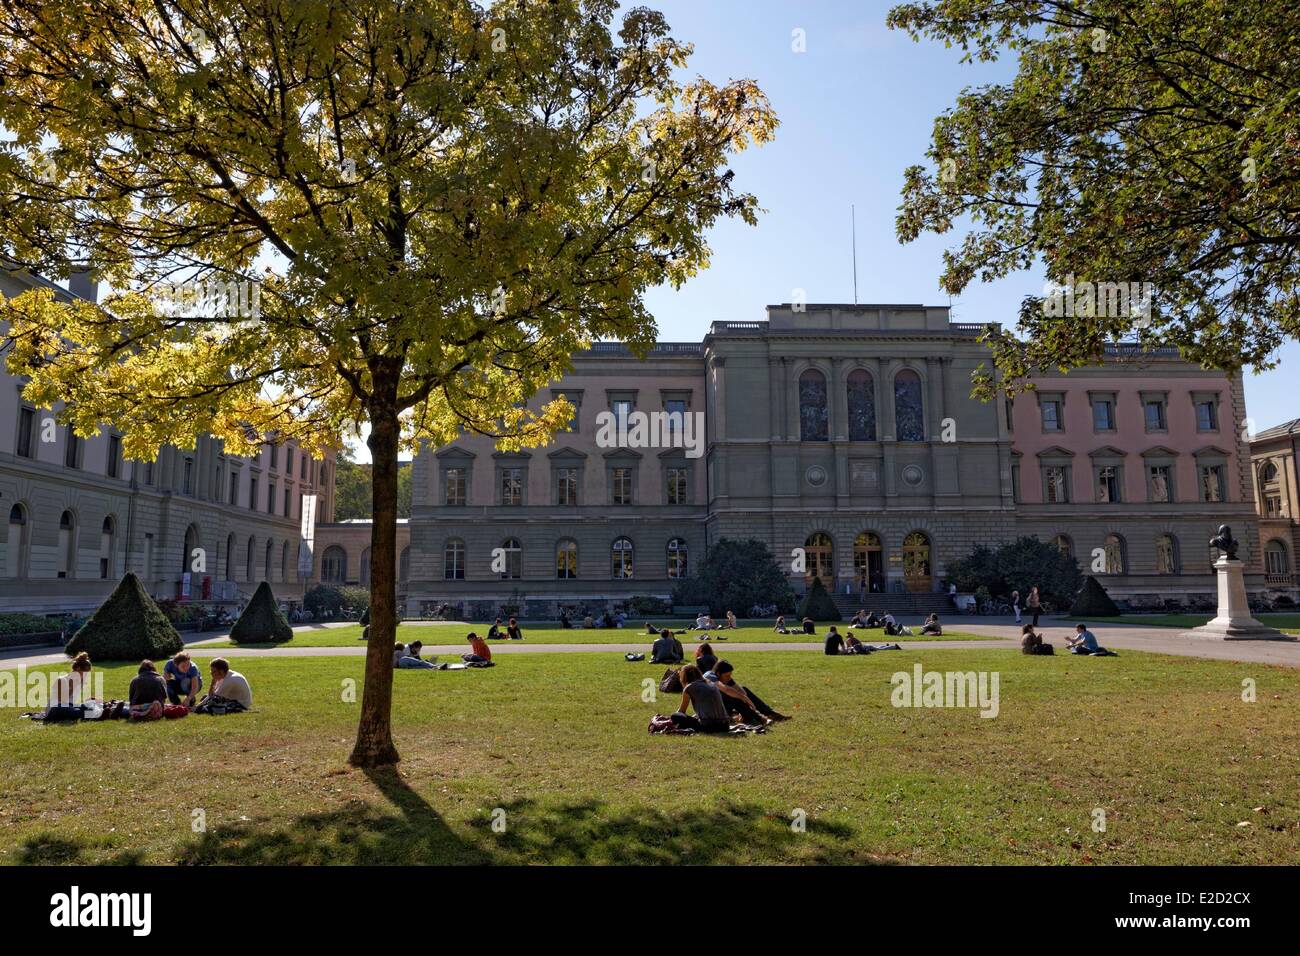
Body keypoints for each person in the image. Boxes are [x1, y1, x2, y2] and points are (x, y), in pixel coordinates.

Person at [707, 660, 780, 725]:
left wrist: (745, 700)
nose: (729, 678)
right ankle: (758, 717)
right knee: (733, 694)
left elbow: (742, 691)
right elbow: (727, 690)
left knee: (742, 690)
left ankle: (768, 712)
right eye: (727, 676)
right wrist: (744, 698)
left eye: (730, 675)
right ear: (718, 673)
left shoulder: (725, 678)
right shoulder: (709, 675)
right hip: (711, 711)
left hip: (721, 707)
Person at [669, 664, 732, 733]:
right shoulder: (710, 683)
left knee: (675, 716)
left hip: (708, 727)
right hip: (725, 726)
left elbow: (682, 711)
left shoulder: (689, 688)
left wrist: (669, 719)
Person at [46, 652, 94, 720]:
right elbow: (62, 700)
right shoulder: (61, 680)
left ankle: (88, 714)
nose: (85, 676)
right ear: (78, 668)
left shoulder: (79, 682)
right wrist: (72, 687)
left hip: (69, 706)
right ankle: (85, 714)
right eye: (84, 673)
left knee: (89, 708)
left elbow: (72, 701)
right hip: (55, 708)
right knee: (75, 711)